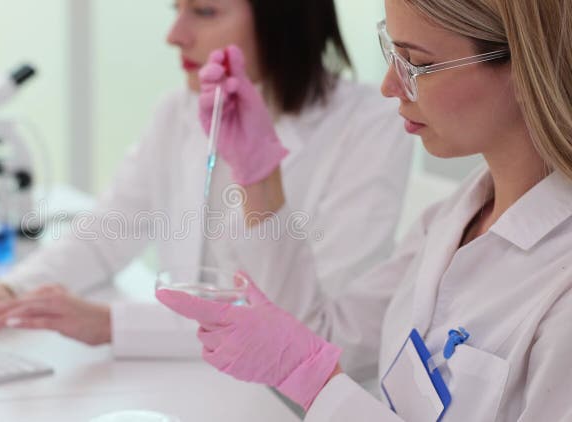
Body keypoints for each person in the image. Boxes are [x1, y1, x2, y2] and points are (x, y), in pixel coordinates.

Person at [0, 0, 413, 358]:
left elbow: (306, 332)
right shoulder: (180, 110)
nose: (175, 34)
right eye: (176, 8)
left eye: (204, 10)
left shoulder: (369, 125)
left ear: (284, 16)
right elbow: (108, 231)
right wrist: (5, 288)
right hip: (186, 378)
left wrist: (110, 324)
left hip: (290, 402)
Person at [157, 0, 572, 419]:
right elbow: (322, 333)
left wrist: (315, 379)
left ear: (526, 66)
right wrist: (258, 175)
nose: (390, 84)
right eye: (392, 53)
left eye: (417, 62)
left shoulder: (562, 290)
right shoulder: (450, 221)